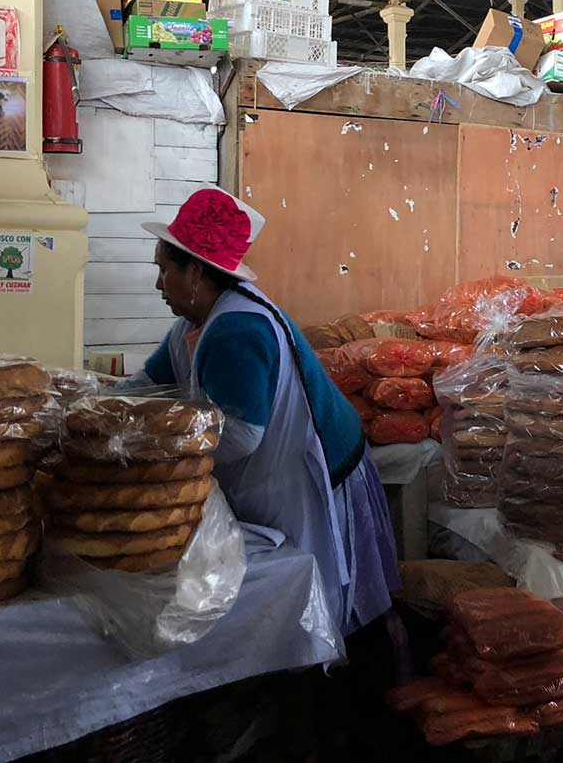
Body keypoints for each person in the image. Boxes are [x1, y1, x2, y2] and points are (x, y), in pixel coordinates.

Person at [132, 187, 399, 637]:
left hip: (317, 471)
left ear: (195, 272)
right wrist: (93, 405)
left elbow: (241, 436)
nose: (158, 283)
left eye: (163, 270)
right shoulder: (192, 326)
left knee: (327, 605)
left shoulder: (237, 328)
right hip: (278, 472)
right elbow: (150, 385)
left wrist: (154, 447)